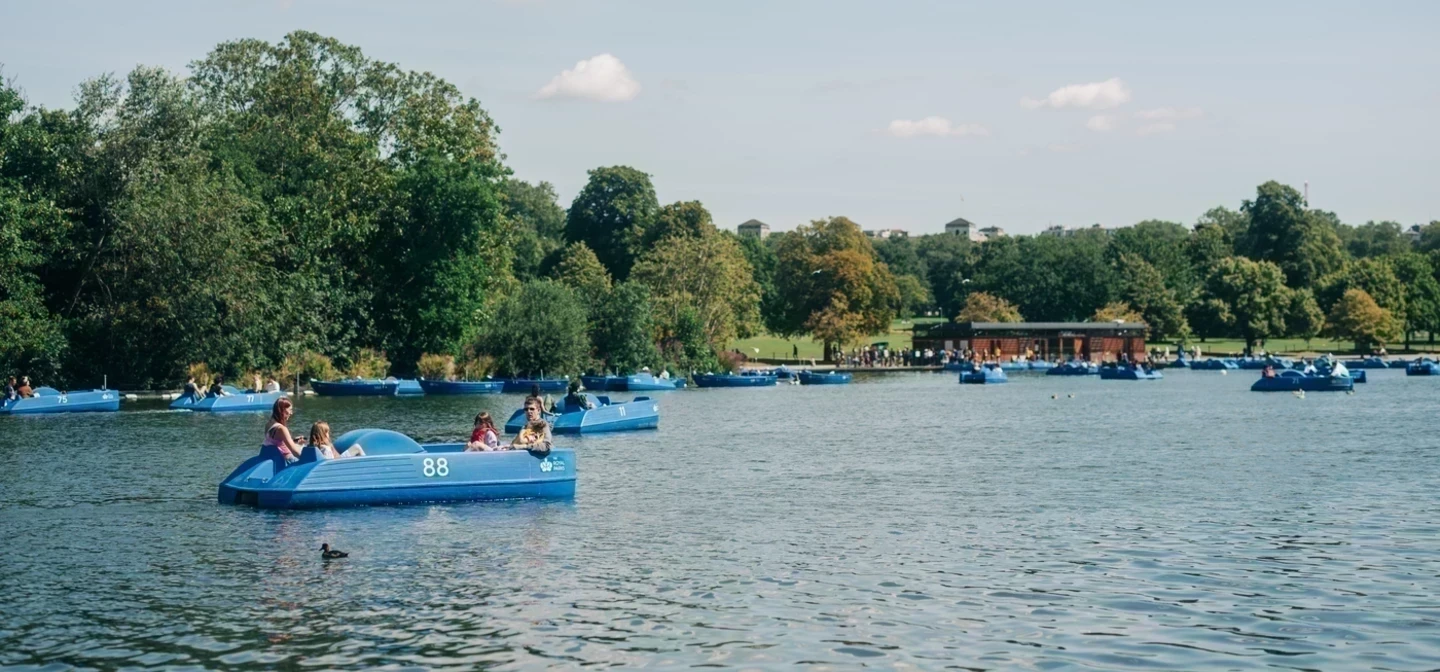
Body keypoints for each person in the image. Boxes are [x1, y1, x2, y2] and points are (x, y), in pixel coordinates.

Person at [263, 397, 306, 463]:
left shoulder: (268, 424)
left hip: (275, 458)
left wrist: (294, 441)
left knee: (301, 446)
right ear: (282, 410)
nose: (291, 413)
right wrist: (308, 460)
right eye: (290, 410)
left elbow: (276, 443)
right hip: (288, 461)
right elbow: (295, 452)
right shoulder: (281, 429)